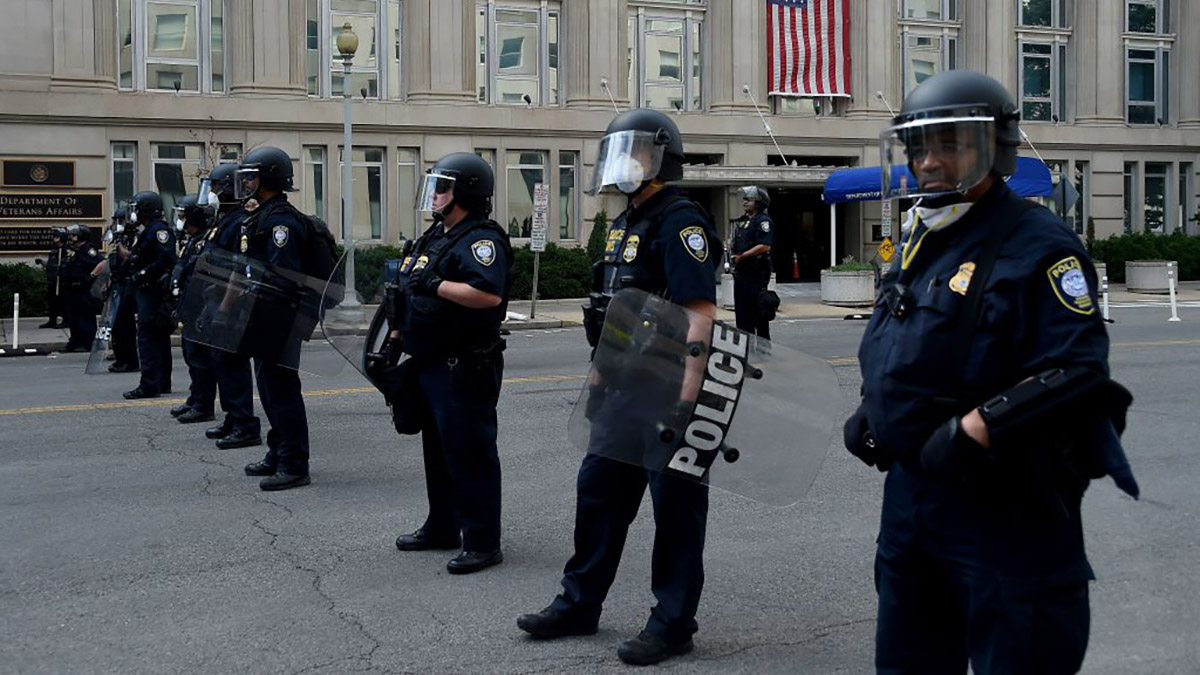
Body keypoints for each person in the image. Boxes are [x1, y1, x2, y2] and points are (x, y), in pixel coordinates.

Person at [844, 70, 1137, 674]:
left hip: (1005, 508)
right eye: (919, 146)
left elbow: (1076, 371)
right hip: (913, 500)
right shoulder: (925, 237)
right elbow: (905, 339)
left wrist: (977, 429)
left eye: (949, 144)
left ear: (993, 147)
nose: (929, 161)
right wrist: (874, 408)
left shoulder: (1039, 245)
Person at [517, 108, 721, 666]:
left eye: (631, 151)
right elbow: (617, 316)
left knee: (676, 512)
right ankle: (578, 604)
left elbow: (700, 315)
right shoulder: (627, 222)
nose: (621, 162)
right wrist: (602, 380)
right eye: (616, 152)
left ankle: (673, 621)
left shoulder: (681, 222)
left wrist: (687, 401)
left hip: (667, 391)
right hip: (624, 391)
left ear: (660, 156)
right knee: (599, 499)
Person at [380, 152, 512, 575]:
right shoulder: (435, 237)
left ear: (466, 192)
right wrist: (394, 340)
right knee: (437, 452)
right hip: (429, 360)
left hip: (465, 363)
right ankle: (442, 526)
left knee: (469, 453)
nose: (435, 195)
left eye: (443, 187)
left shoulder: (481, 240)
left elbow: (488, 295)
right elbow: (408, 291)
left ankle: (482, 541)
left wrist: (438, 285)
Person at [233, 146, 312, 491]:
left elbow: (284, 276)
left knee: (282, 391)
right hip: (262, 317)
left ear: (269, 178)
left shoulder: (281, 221)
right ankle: (277, 451)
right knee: (267, 388)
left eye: (251, 175)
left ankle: (294, 463)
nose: (246, 182)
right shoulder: (260, 214)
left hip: (279, 319)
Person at [202, 163, 263, 449]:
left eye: (215, 186)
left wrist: (226, 305)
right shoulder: (224, 219)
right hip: (215, 297)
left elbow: (237, 268)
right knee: (221, 363)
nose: (212, 193)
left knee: (232, 362)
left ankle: (245, 423)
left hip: (232, 302)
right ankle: (232, 417)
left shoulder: (240, 219)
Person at [169, 194, 219, 424]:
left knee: (200, 359)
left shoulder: (208, 240)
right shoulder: (192, 239)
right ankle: (194, 398)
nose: (181, 221)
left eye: (184, 216)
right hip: (188, 306)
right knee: (191, 357)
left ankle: (203, 405)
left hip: (200, 306)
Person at [123, 191, 177, 399]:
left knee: (148, 338)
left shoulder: (158, 231)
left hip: (152, 290)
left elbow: (165, 259)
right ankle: (161, 382)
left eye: (137, 208)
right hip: (148, 289)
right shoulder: (148, 230)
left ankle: (150, 384)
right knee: (158, 338)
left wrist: (140, 275)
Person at [731, 185, 775, 345]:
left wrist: (742, 256)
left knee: (759, 313)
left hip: (757, 273)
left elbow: (764, 245)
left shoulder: (763, 221)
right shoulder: (743, 222)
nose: (744, 202)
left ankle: (764, 348)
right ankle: (745, 349)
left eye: (748, 199)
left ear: (758, 202)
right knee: (742, 313)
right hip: (742, 273)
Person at [106, 206, 140, 373]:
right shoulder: (120, 238)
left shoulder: (136, 237)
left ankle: (130, 360)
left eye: (120, 221)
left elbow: (131, 257)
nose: (117, 224)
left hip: (128, 286)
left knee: (125, 326)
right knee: (117, 326)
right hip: (117, 284)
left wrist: (120, 244)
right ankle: (121, 358)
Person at [59, 224, 102, 352]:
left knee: (85, 318)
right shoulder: (74, 250)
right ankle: (75, 342)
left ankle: (88, 343)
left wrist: (92, 275)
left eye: (74, 235)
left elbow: (102, 262)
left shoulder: (88, 249)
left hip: (83, 289)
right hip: (71, 289)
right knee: (73, 317)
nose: (71, 238)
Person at [34, 227, 67, 329]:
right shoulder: (54, 250)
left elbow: (67, 265)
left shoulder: (65, 250)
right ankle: (52, 320)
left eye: (57, 236)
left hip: (61, 282)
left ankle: (66, 321)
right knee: (52, 302)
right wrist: (42, 262)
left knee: (62, 302)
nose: (54, 238)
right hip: (52, 281)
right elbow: (50, 265)